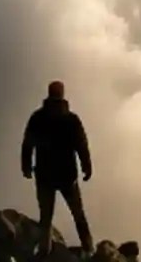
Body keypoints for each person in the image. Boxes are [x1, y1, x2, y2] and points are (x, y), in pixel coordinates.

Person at [21, 80, 94, 257]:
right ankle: (88, 249)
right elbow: (81, 145)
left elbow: (28, 144)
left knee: (45, 218)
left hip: (44, 176)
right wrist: (86, 166)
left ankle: (44, 252)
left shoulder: (37, 118)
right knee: (78, 214)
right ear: (62, 94)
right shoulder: (71, 119)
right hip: (67, 176)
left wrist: (26, 166)